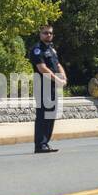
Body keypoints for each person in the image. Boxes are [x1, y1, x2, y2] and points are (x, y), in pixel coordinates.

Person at [30, 24, 66, 153]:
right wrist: (56, 79)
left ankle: (46, 142)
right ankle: (40, 144)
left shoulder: (51, 49)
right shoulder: (37, 49)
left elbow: (57, 64)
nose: (48, 35)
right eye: (45, 33)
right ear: (40, 34)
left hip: (52, 85)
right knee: (43, 115)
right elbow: (42, 68)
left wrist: (64, 77)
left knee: (51, 114)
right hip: (43, 85)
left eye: (50, 33)